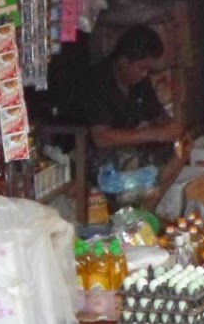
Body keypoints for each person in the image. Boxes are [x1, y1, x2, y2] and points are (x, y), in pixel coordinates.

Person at [80, 26, 190, 208]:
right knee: (137, 163)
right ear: (123, 61)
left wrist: (173, 129)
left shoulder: (140, 83)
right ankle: (132, 212)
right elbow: (101, 138)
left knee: (181, 150)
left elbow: (157, 115)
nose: (145, 74)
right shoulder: (98, 81)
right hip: (97, 157)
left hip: (130, 147)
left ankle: (147, 210)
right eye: (142, 68)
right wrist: (155, 134)